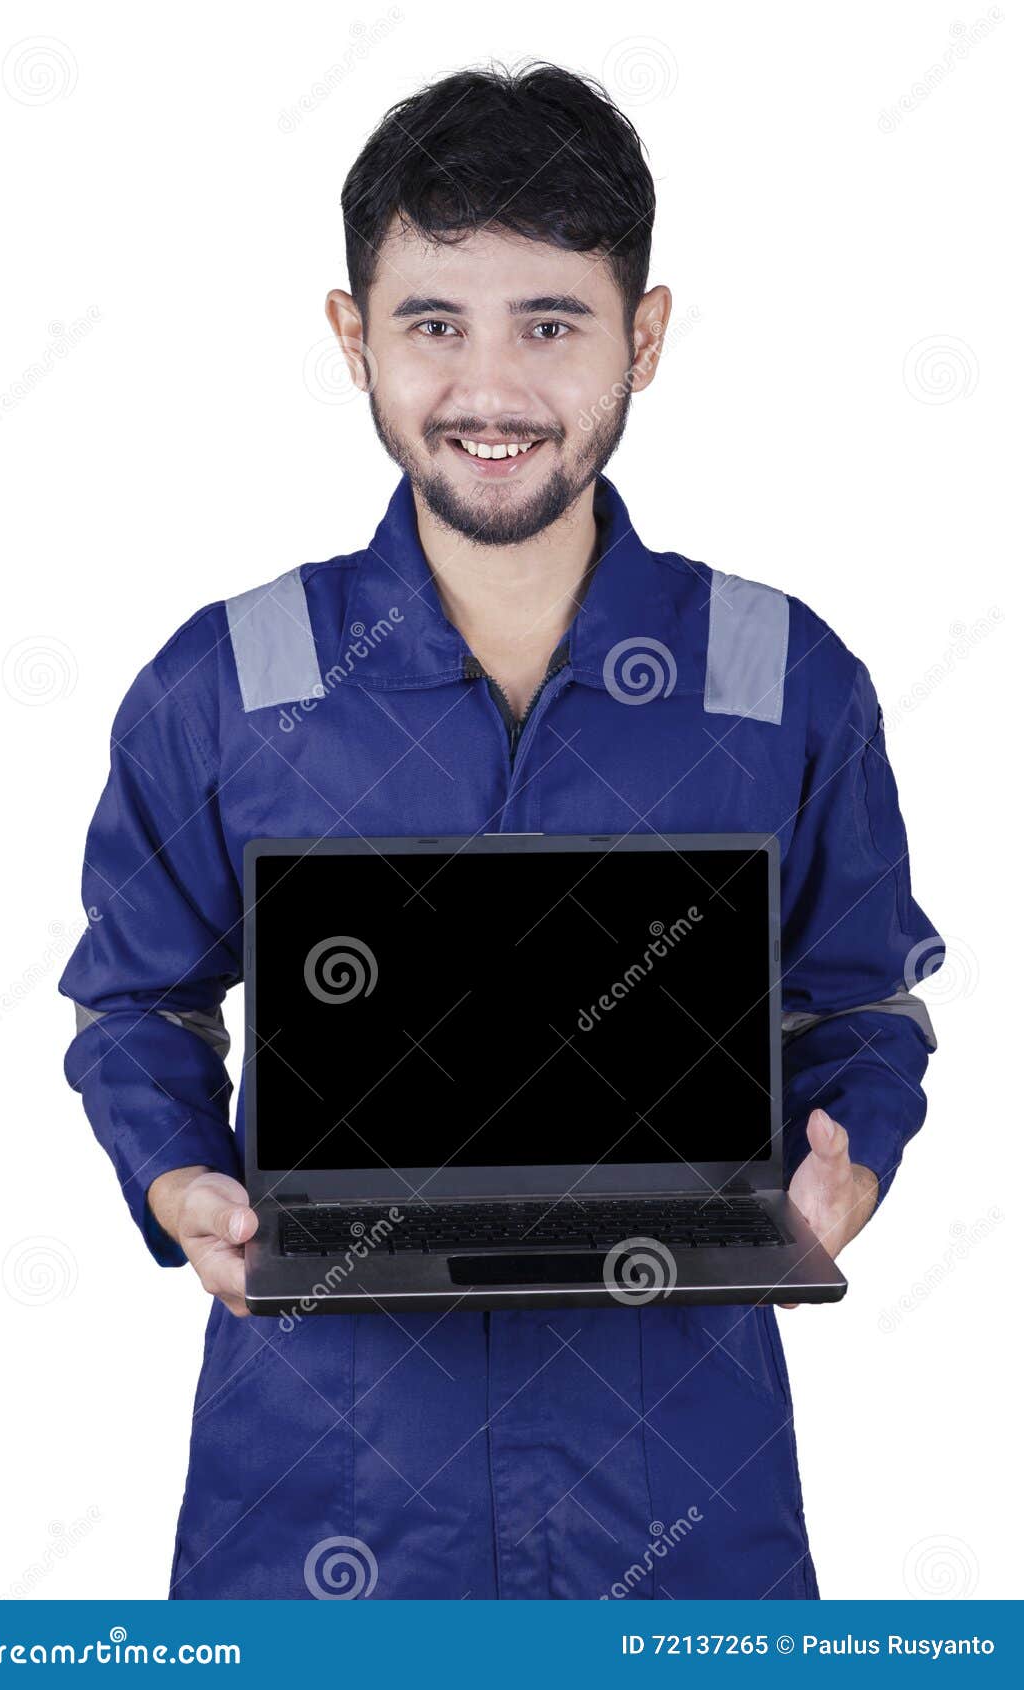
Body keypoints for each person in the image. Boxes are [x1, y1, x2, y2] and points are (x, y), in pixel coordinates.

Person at [59, 62, 944, 1600]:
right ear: (353, 340)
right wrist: (176, 1178)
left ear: (643, 337)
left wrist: (850, 1153)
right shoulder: (235, 682)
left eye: (550, 321)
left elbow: (859, 999)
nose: (491, 389)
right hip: (322, 1500)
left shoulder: (777, 677)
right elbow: (135, 999)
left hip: (679, 1506)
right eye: (432, 323)